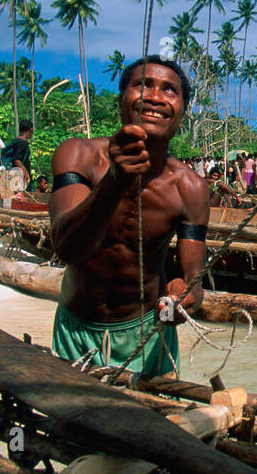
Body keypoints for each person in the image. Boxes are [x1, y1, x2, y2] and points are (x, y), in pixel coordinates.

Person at [48, 57, 209, 378]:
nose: (155, 97)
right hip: (76, 330)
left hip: (147, 335)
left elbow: (194, 281)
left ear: (183, 111)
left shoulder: (190, 187)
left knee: (152, 425)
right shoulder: (78, 154)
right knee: (70, 424)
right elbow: (68, 249)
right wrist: (115, 181)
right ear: (121, 98)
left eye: (169, 90)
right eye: (142, 85)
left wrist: (181, 302)